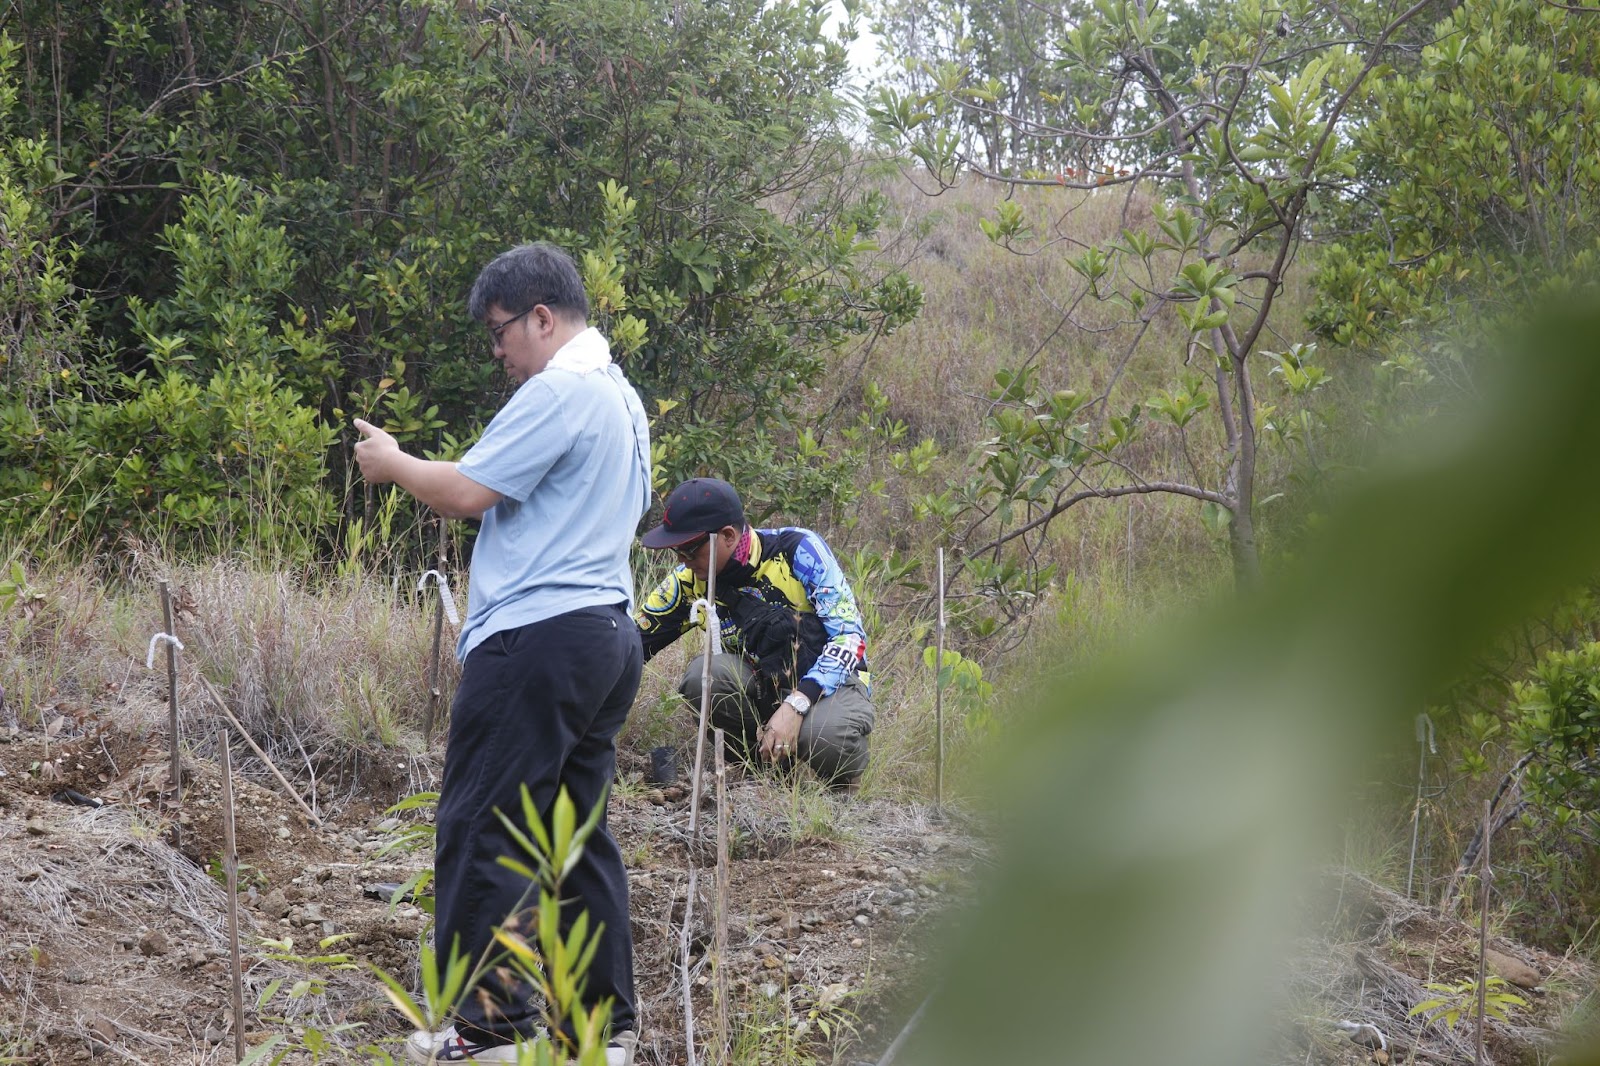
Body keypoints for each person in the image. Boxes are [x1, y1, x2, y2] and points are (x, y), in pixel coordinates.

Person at [353, 242, 650, 1066]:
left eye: (501, 331)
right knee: (574, 836)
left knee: (487, 825)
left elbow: (462, 492)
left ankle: (486, 1036)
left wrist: (392, 463)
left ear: (543, 319)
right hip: (606, 636)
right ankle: (601, 1033)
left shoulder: (562, 390)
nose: (498, 352)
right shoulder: (623, 399)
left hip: (537, 638)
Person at [635, 478, 874, 787]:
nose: (681, 561)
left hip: (827, 684)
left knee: (825, 737)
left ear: (728, 536)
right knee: (703, 677)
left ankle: (843, 785)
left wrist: (797, 704)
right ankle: (760, 774)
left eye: (689, 551)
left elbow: (849, 639)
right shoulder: (688, 580)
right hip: (759, 683)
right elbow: (633, 642)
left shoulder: (798, 550)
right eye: (675, 552)